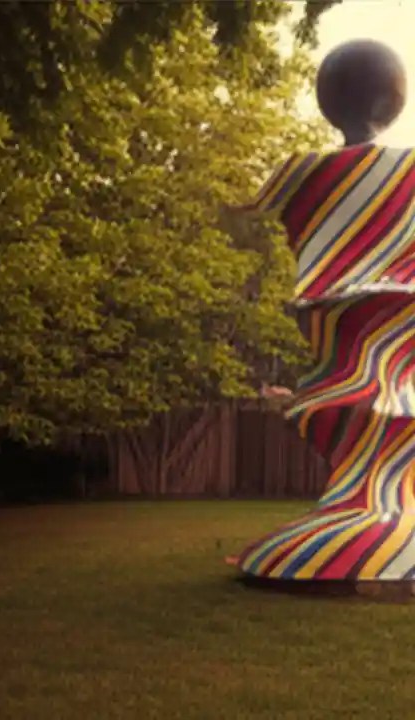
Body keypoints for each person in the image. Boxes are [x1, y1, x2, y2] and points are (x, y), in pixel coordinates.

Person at [231, 39, 415, 586]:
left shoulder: (312, 173)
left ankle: (377, 517)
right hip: (349, 327)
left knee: (381, 389)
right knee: (367, 386)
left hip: (374, 332)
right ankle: (368, 514)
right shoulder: (356, 176)